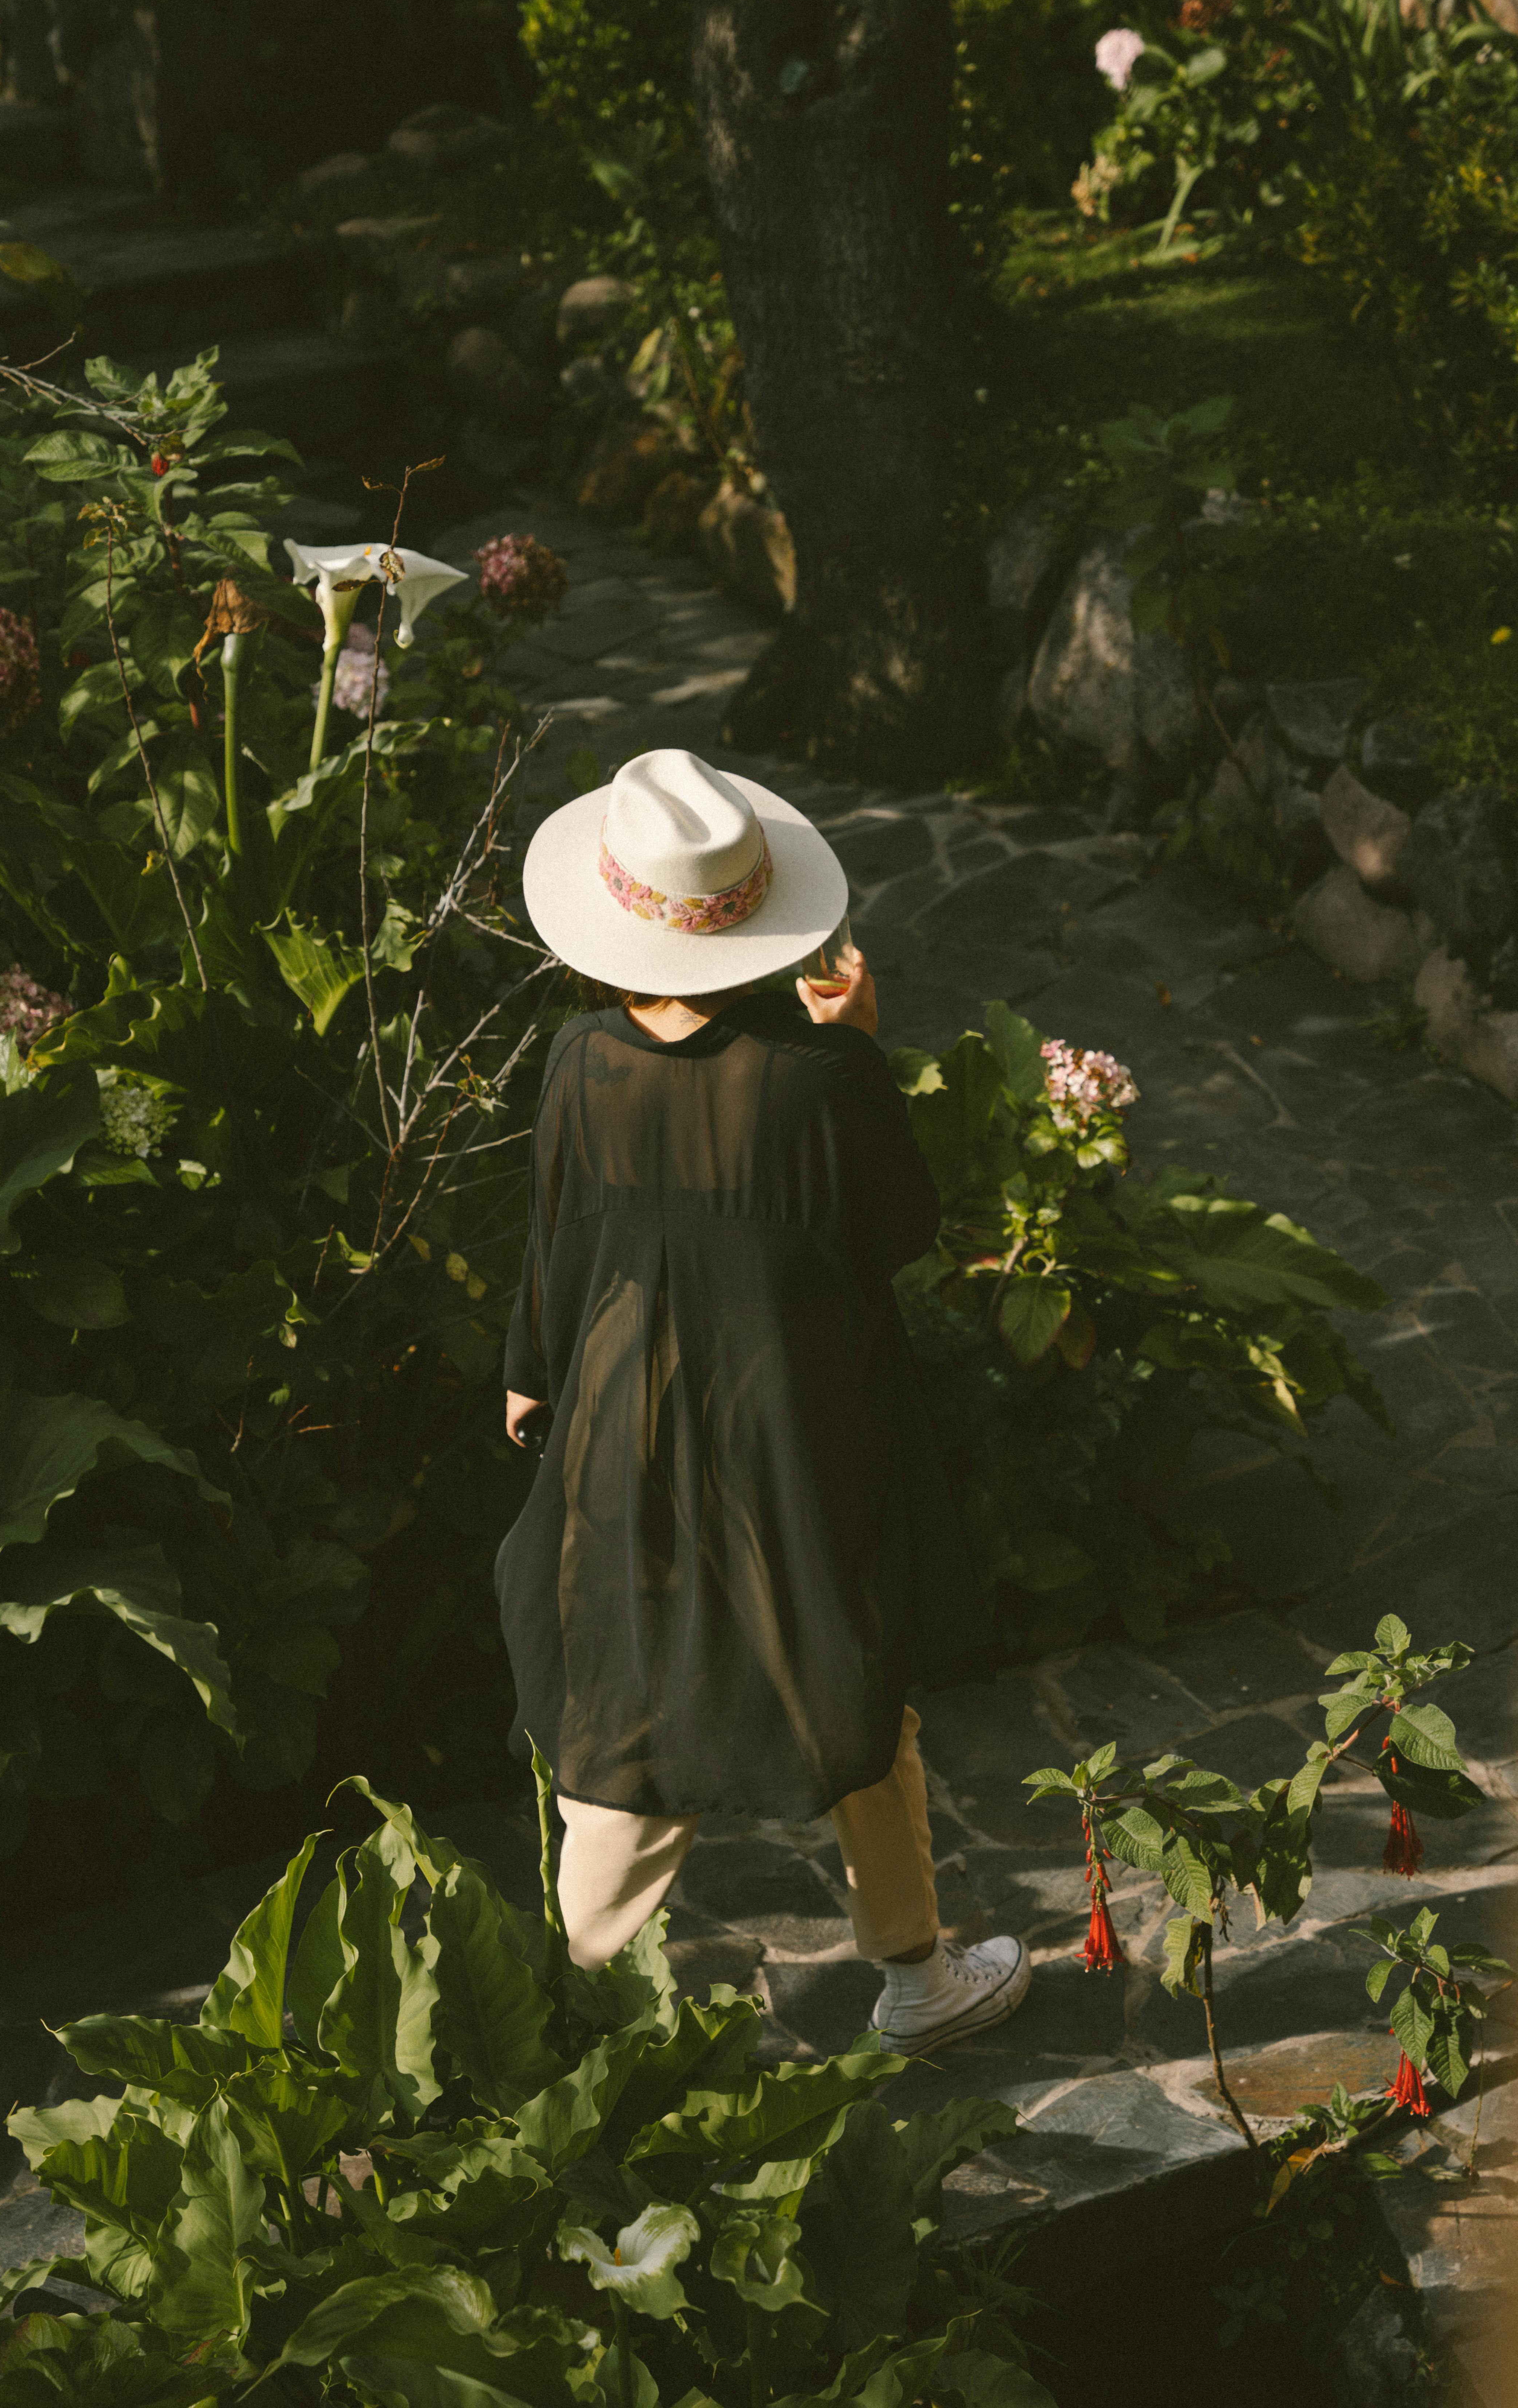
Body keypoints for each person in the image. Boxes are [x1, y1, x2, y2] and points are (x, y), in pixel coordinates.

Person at [496, 744, 1030, 2054]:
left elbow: (555, 1236)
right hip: (798, 1429)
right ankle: (916, 1976)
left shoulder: (580, 1062)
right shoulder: (815, 1078)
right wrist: (860, 1050)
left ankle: (578, 2011)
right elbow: (899, 1231)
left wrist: (528, 1371)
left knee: (621, 1692)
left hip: (624, 1425)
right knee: (846, 1673)